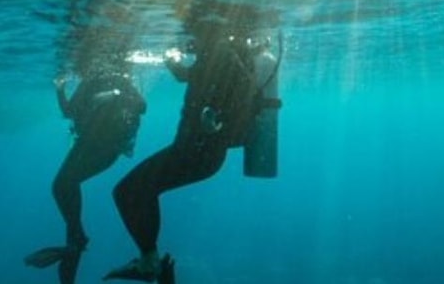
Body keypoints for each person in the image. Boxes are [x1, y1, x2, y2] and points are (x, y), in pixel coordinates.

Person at [105, 19, 275, 282]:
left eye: (193, 32)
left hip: (196, 154)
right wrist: (172, 60)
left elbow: (237, 93)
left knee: (128, 191)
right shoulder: (218, 55)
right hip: (198, 153)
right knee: (137, 191)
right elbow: (188, 75)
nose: (190, 39)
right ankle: (150, 262)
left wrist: (217, 123)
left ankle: (150, 263)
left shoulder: (220, 55)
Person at [25, 68, 147, 283]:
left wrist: (115, 94)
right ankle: (76, 237)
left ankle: (76, 237)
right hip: (86, 145)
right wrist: (60, 88)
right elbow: (69, 112)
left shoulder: (118, 77)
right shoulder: (90, 80)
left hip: (107, 148)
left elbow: (142, 105)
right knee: (62, 186)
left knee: (64, 184)